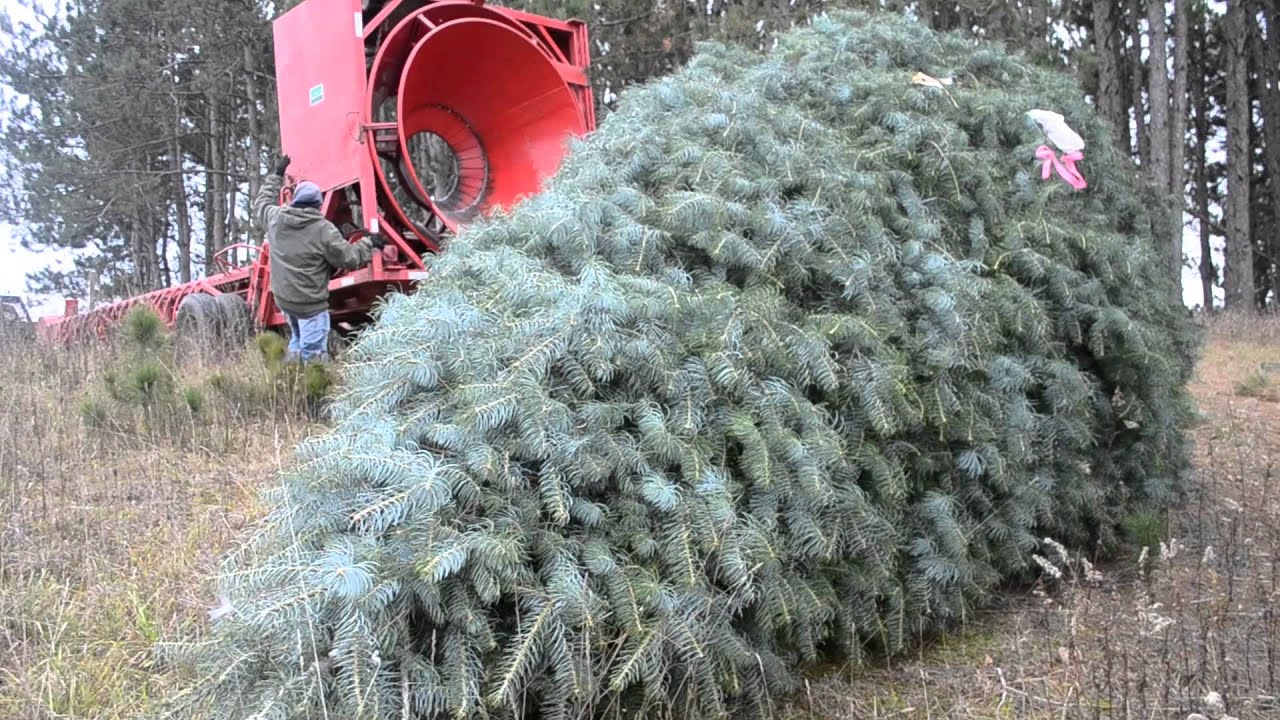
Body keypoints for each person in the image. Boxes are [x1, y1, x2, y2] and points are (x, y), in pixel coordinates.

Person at [253, 153, 385, 362]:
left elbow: (262, 203)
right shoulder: (323, 230)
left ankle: (291, 383)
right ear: (318, 204)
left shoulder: (276, 219)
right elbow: (349, 258)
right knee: (313, 354)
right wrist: (370, 243)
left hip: (285, 301)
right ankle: (312, 390)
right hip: (310, 306)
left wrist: (277, 174)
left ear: (296, 199)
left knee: (297, 341)